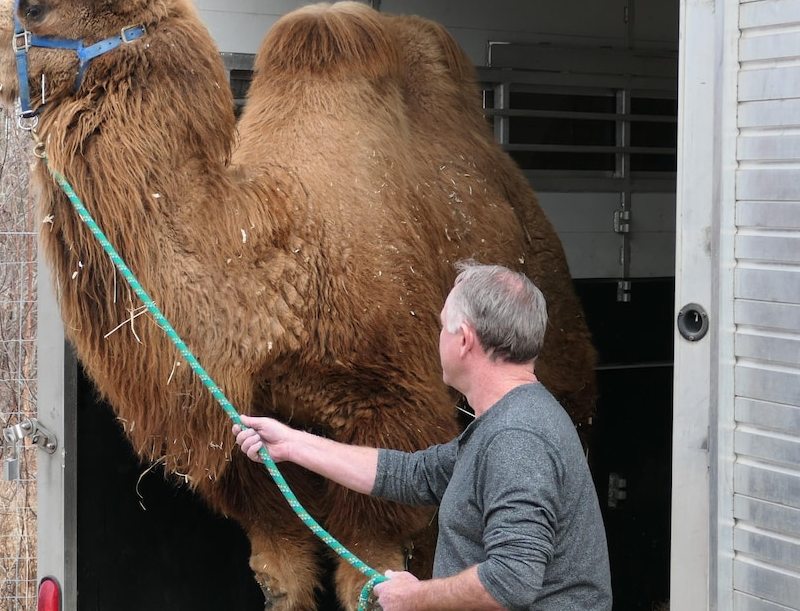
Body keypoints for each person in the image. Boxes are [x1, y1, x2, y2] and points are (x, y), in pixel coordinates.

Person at [234, 261, 611, 611]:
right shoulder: (512, 418)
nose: (438, 339)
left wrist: (417, 598)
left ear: (463, 340)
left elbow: (511, 580)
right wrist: (292, 444)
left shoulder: (517, 438)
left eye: (442, 325)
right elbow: (415, 474)